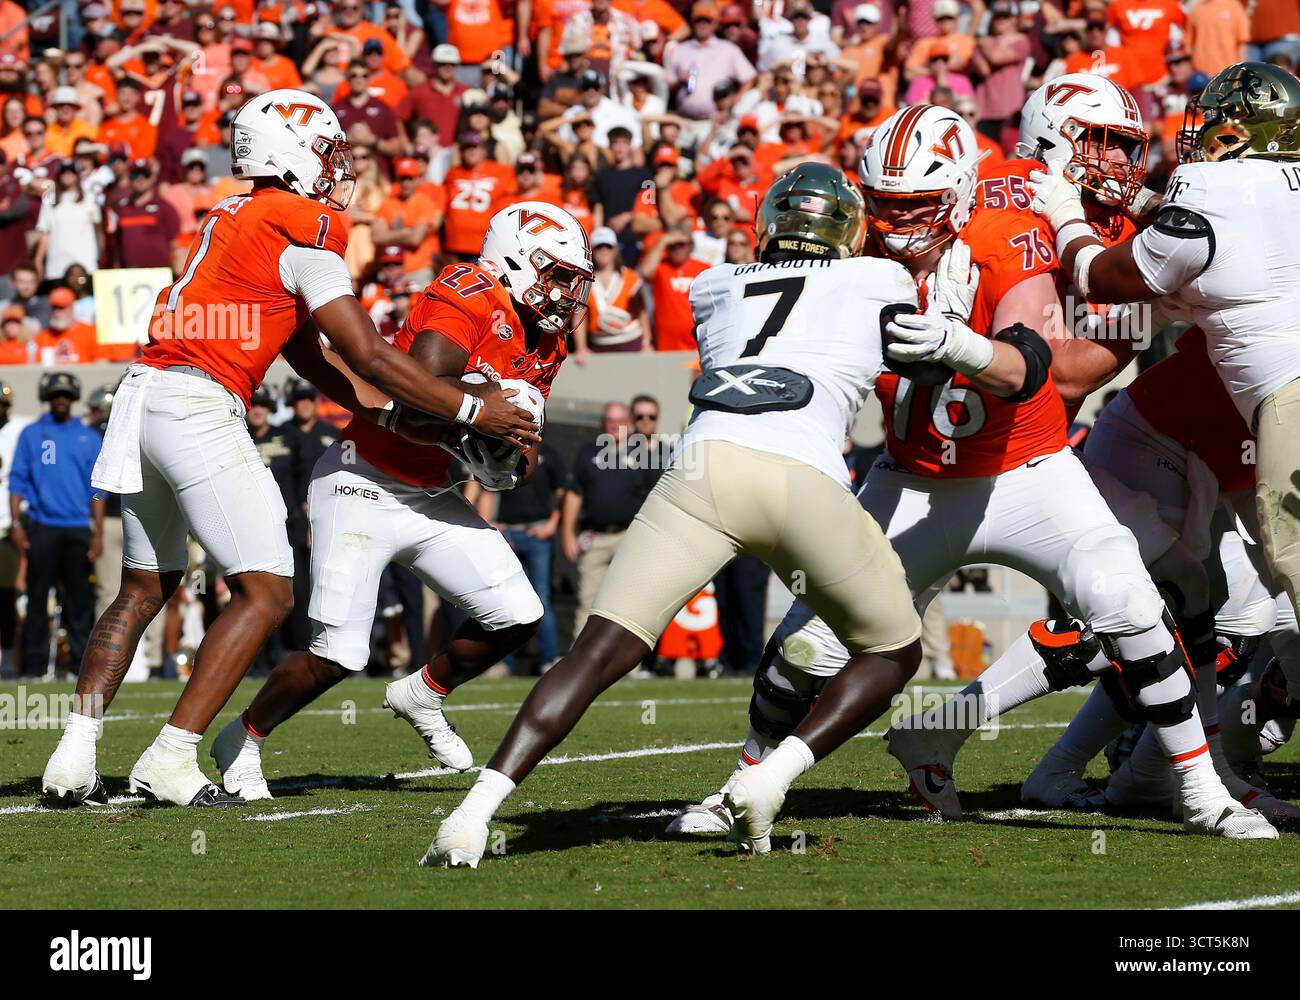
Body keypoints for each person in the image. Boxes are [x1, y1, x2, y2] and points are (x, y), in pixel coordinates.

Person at [668, 103, 1271, 841]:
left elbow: (1035, 364)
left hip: (1028, 470)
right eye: (884, 206)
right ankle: (741, 783)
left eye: (916, 205)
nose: (896, 223)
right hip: (910, 476)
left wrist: (963, 348)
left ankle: (1202, 792)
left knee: (1134, 610)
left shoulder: (1002, 231)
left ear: (956, 194)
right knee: (805, 649)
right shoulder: (849, 253)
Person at [40, 87, 539, 809]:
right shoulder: (306, 222)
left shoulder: (237, 213)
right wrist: (472, 408)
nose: (338, 170)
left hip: (142, 393)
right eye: (328, 153)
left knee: (144, 587)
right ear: (293, 154)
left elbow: (307, 348)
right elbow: (366, 351)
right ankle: (171, 758)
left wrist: (383, 414)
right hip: (197, 401)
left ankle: (71, 756)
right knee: (268, 592)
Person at [425, 163, 925, 867]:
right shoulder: (881, 280)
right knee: (893, 650)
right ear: (848, 229)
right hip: (802, 475)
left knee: (596, 651)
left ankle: (472, 815)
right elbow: (916, 358)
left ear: (766, 225)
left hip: (701, 473)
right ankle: (767, 777)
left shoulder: (715, 286)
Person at [211, 202, 591, 799]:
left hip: (432, 492)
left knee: (518, 614)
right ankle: (245, 735)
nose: (567, 293)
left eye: (574, 280)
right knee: (339, 654)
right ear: (517, 259)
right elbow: (417, 395)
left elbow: (521, 446)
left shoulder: (548, 340)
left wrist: (510, 456)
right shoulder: (468, 289)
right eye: (559, 274)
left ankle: (422, 693)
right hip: (361, 481)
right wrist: (487, 403)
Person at [1027, 61, 1300, 743]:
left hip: (1278, 403)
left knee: (1285, 567)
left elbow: (1100, 282)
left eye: (1212, 121)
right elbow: (1213, 239)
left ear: (1238, 134)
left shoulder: (1211, 186)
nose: (1198, 133)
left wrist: (1064, 214)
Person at [10, 372, 104, 681]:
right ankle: (34, 669)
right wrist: (16, 524)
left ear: (73, 398)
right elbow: (16, 481)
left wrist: (98, 532)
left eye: (65, 395)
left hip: (78, 529)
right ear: (47, 399)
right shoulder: (31, 434)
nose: (60, 400)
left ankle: (81, 667)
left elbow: (98, 489)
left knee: (80, 602)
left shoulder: (89, 437)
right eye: (55, 395)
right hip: (41, 526)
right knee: (38, 600)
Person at [561, 400, 661, 637]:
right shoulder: (589, 452)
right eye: (610, 421)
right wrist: (567, 533)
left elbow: (656, 496)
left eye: (620, 421)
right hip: (595, 535)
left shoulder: (644, 453)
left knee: (628, 603)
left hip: (629, 536)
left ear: (628, 423)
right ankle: (579, 662)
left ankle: (628, 666)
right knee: (587, 600)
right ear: (603, 424)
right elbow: (574, 494)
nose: (615, 426)